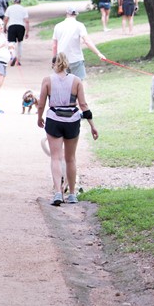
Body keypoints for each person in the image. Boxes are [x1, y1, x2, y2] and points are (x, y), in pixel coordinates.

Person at [37, 53, 99, 205]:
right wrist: (92, 125)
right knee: (70, 159)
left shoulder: (47, 80)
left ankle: (58, 192)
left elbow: (41, 103)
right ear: (67, 65)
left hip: (54, 119)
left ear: (53, 65)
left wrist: (39, 118)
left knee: (56, 158)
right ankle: (72, 194)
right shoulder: (76, 81)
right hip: (72, 120)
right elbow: (83, 105)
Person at [51, 5, 106, 80]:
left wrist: (54, 61)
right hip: (76, 59)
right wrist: (98, 53)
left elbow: (54, 45)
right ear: (76, 14)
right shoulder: (79, 25)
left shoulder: (58, 26)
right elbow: (87, 41)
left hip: (61, 60)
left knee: (63, 83)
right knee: (78, 83)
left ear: (67, 13)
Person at [3, 0, 30, 65]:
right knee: (20, 43)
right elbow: (27, 21)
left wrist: (4, 27)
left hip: (12, 26)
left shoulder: (9, 8)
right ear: (20, 1)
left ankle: (13, 56)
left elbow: (6, 19)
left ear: (13, 1)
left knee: (11, 43)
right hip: (21, 27)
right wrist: (27, 32)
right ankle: (19, 60)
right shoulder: (23, 9)